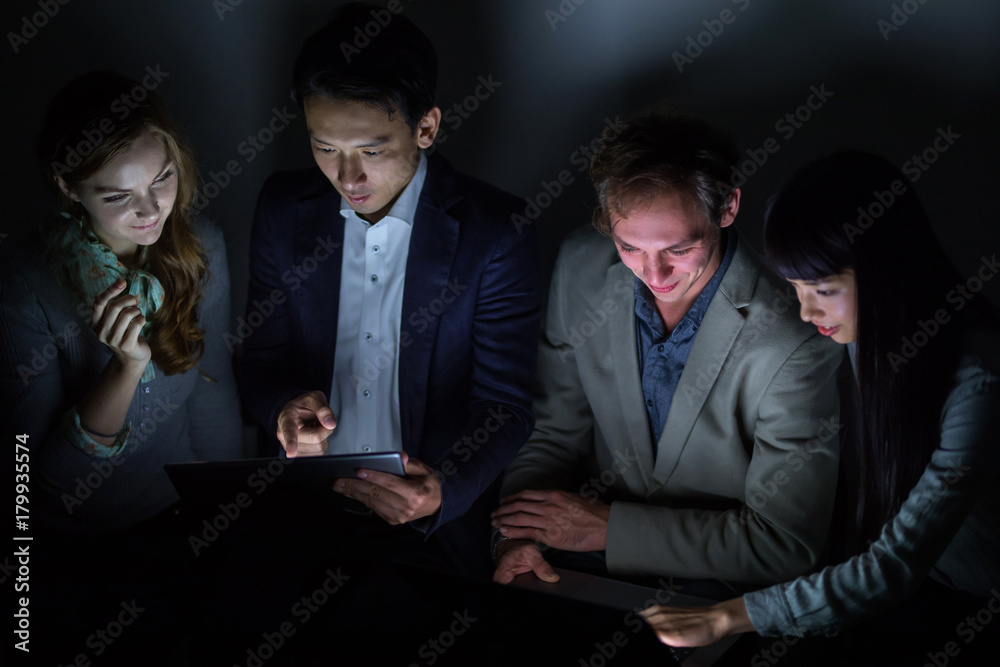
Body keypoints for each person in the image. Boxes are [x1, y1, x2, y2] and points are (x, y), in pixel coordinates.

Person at [639, 152, 1000, 663]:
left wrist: (727, 616)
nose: (807, 312)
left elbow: (894, 563)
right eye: (797, 288)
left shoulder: (978, 381)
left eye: (824, 290)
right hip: (928, 589)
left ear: (889, 272)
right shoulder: (870, 335)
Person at [235, 3, 541, 574]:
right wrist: (282, 408)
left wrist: (444, 490)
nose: (346, 177)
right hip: (303, 517)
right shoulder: (282, 209)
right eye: (325, 147)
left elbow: (504, 406)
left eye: (370, 151)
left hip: (433, 533)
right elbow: (261, 358)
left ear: (426, 126)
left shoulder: (498, 232)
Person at [491, 114, 847, 590]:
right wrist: (516, 538)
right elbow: (554, 432)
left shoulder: (795, 334)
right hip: (579, 571)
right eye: (629, 247)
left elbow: (785, 545)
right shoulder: (580, 264)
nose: (654, 274)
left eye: (679, 249)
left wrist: (608, 528)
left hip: (725, 595)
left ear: (727, 207)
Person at [0, 70, 243, 535]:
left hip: (183, 514)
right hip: (74, 540)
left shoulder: (202, 246)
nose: (151, 211)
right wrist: (125, 368)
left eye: (162, 178)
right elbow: (33, 488)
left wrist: (227, 510)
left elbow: (214, 397)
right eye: (117, 196)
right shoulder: (23, 284)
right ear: (70, 187)